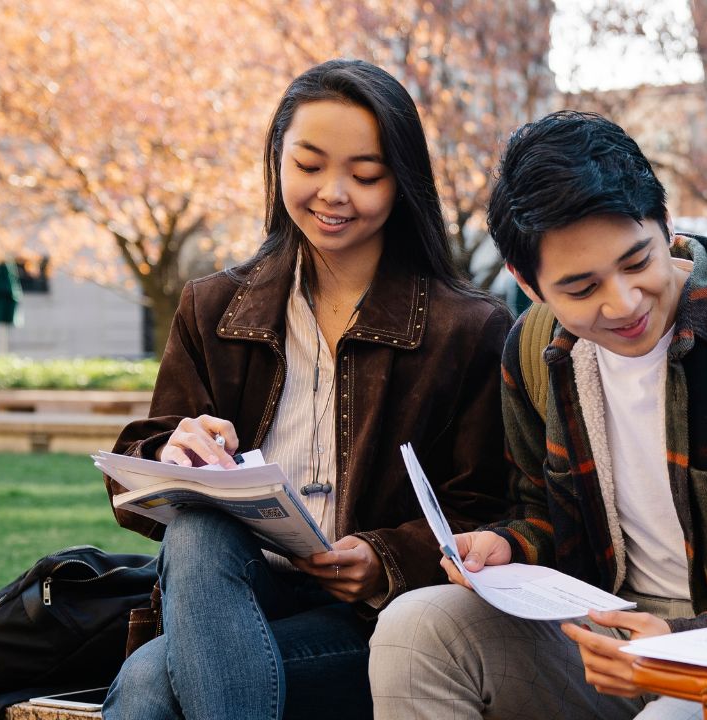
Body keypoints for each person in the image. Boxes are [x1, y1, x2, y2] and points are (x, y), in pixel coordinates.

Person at [367, 110, 707, 719]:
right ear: (529, 285)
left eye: (638, 262)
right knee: (416, 628)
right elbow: (541, 515)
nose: (623, 303)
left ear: (666, 224)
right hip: (605, 642)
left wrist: (684, 641)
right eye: (582, 289)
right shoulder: (536, 353)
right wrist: (506, 545)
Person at [100, 59, 512, 720]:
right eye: (310, 165)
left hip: (374, 622)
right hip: (231, 592)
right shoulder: (213, 308)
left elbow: (490, 507)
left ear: (402, 180)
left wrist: (385, 559)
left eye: (365, 173)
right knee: (199, 532)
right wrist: (174, 455)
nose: (333, 193)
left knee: (151, 683)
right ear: (278, 160)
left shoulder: (468, 328)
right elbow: (136, 486)